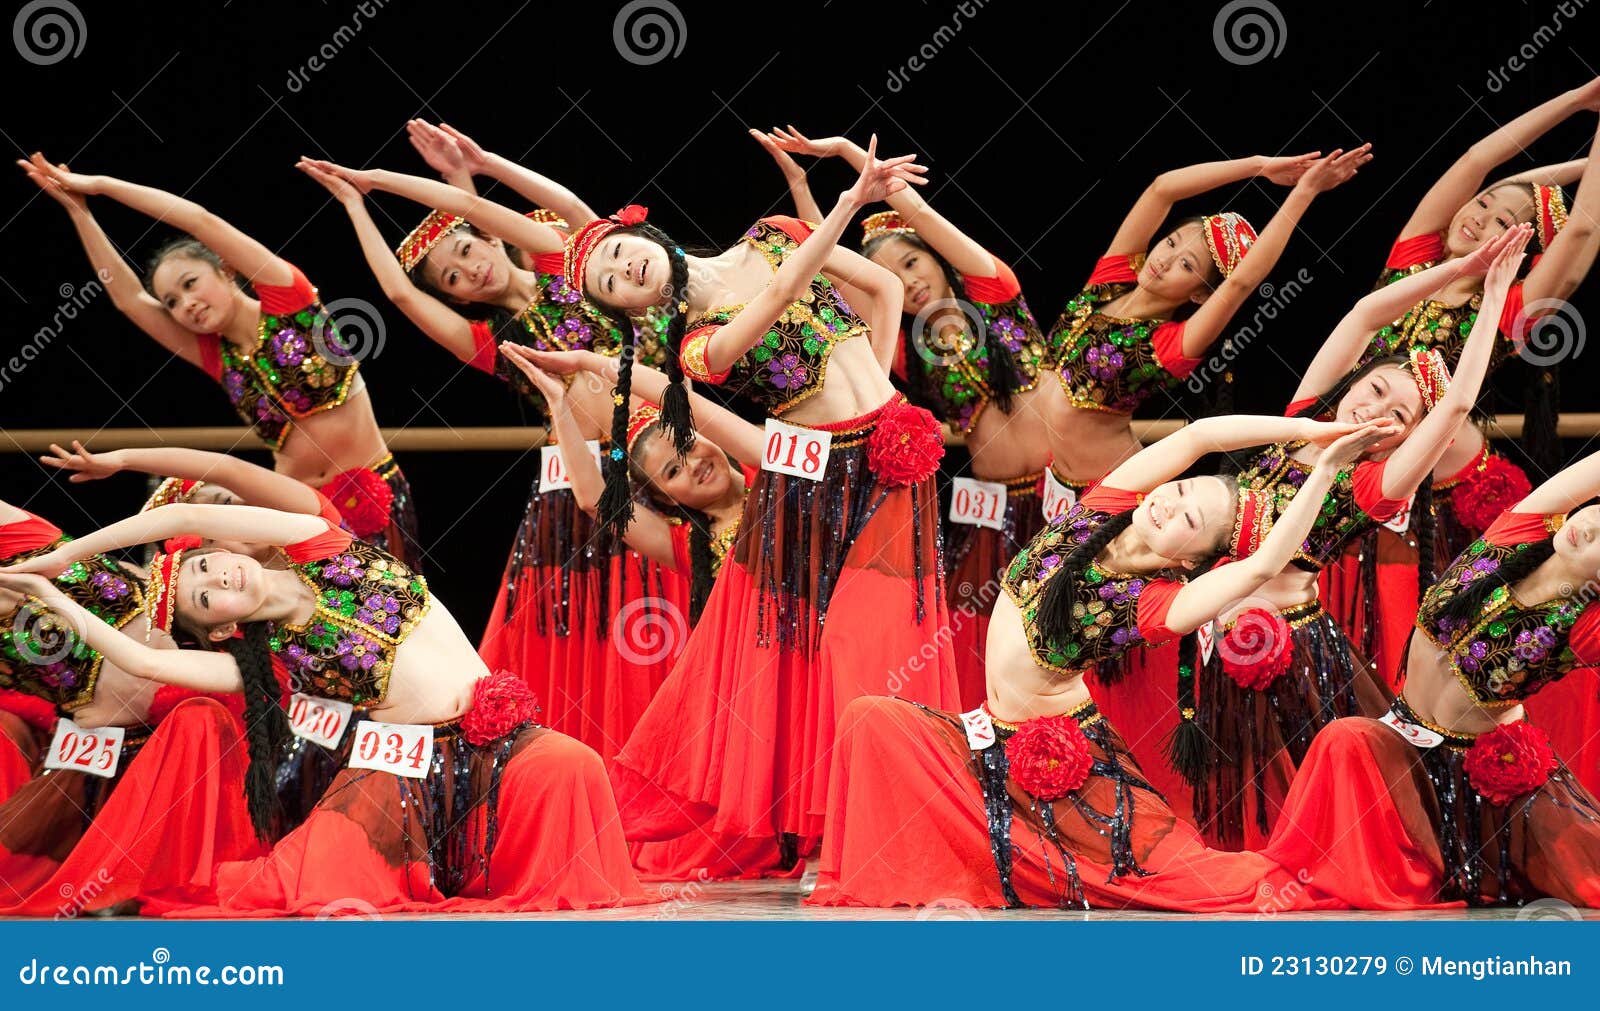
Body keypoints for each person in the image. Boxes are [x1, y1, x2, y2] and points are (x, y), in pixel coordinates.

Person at [809, 415, 1394, 910]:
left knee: (1181, 880)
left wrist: (1321, 472)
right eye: (1183, 492)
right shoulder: (1101, 512)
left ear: (1190, 561)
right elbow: (1202, 437)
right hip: (989, 733)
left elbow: (1262, 568)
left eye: (1190, 522)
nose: (1170, 504)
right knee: (869, 720)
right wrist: (1318, 430)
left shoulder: (1154, 602)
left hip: (1065, 758)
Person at [1, 501, 652, 915]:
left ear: (228, 550)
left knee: (577, 766)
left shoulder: (322, 545)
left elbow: (173, 517)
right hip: (411, 775)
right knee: (324, 885)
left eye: (207, 566)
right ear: (223, 628)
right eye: (203, 597)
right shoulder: (275, 662)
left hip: (500, 742)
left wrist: (66, 556)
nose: (216, 580)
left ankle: (481, 875)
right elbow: (146, 662)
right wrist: (53, 597)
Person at [757, 126, 1057, 708]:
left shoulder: (998, 297)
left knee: (1059, 639)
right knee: (985, 646)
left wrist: (851, 157)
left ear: (936, 256)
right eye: (893, 276)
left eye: (914, 260)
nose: (910, 280)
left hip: (1058, 496)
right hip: (989, 513)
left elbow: (917, 210)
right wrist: (802, 186)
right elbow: (830, 271)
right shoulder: (901, 350)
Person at [18, 154, 423, 571]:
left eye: (191, 284)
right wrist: (79, 212)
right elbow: (126, 298)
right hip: (293, 512)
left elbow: (199, 220)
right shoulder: (215, 356)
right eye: (171, 302)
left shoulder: (291, 301)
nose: (186, 304)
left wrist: (101, 185)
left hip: (373, 494)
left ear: (227, 270)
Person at [1263, 443, 1600, 909]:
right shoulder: (1521, 530)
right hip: (1402, 741)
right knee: (1344, 741)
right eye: (1597, 516)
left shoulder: (1585, 626)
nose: (1588, 530)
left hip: (1478, 785)